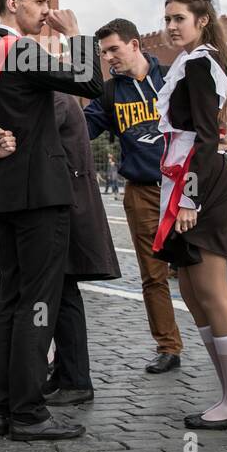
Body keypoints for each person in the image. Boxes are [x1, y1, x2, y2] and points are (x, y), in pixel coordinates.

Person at [0, 0, 103, 441]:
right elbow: (88, 81)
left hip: (3, 195)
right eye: (41, 3)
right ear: (13, 5)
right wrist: (77, 33)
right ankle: (27, 412)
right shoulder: (19, 50)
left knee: (11, 301)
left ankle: (5, 408)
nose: (47, 11)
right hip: (40, 194)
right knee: (38, 302)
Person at [152, 0, 227, 430]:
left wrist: (190, 197)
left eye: (179, 18)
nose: (171, 26)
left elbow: (207, 137)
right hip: (184, 180)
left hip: (199, 184)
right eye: (167, 18)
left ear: (202, 20)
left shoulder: (202, 64)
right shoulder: (190, 63)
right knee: (190, 291)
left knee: (211, 293)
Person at [86, 18, 182, 373]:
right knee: (153, 274)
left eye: (114, 49)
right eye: (103, 52)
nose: (109, 57)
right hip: (141, 191)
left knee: (197, 269)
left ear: (135, 45)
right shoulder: (109, 93)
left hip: (183, 187)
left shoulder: (173, 78)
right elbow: (81, 130)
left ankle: (219, 335)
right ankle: (168, 346)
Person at [46, 91, 120, 406]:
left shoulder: (56, 103)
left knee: (65, 296)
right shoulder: (59, 100)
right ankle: (67, 373)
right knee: (63, 295)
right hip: (68, 207)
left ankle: (76, 380)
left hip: (67, 210)